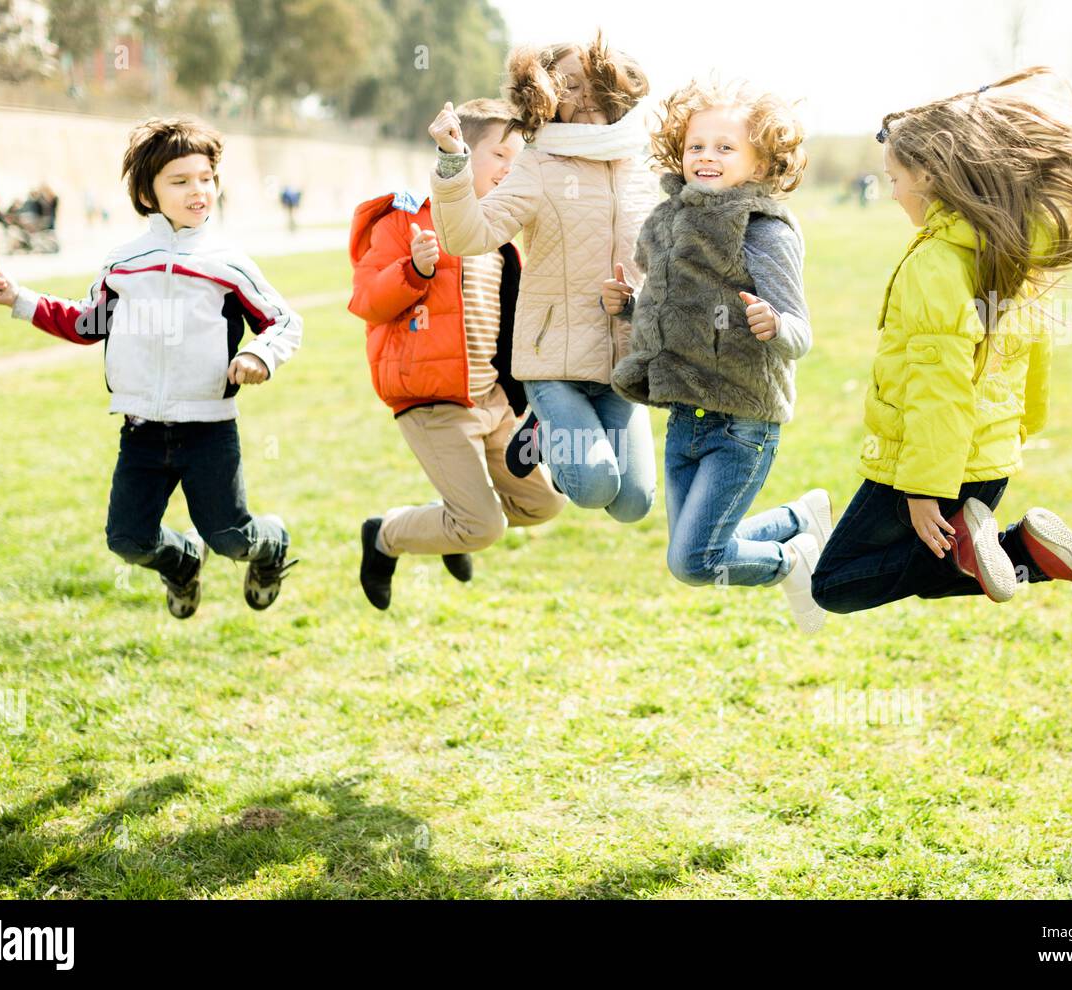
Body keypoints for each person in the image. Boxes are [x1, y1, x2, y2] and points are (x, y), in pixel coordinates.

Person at [811, 68, 1072, 614]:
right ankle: (1028, 551)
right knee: (937, 573)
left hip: (933, 464)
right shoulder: (1013, 250)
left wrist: (922, 488)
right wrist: (1019, 432)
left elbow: (940, 381)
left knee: (835, 584)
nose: (893, 194)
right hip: (992, 457)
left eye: (894, 180)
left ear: (929, 176)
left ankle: (1020, 547)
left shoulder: (936, 263)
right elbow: (1034, 359)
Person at [0, 116, 303, 618]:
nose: (197, 190)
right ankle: (180, 560)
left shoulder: (227, 262)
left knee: (231, 537)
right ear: (148, 194)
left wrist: (258, 355)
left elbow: (283, 322)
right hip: (141, 433)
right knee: (128, 541)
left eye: (206, 178)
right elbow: (88, 323)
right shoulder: (124, 263)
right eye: (180, 181)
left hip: (209, 432)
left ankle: (271, 543)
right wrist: (19, 299)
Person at [608, 79, 830, 632]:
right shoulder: (671, 222)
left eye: (725, 147)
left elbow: (801, 332)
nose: (706, 157)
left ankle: (792, 557)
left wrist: (774, 324)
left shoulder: (763, 230)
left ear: (759, 164)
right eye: (696, 147)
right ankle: (800, 518)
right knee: (695, 554)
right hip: (685, 416)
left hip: (742, 423)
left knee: (696, 561)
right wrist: (631, 306)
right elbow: (678, 312)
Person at [427, 31, 658, 525]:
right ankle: (544, 428)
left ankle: (555, 433)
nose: (584, 96)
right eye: (567, 86)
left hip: (624, 366)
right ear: (544, 95)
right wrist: (452, 161)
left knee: (633, 503)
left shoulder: (642, 165)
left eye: (593, 82)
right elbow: (469, 234)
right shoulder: (538, 165)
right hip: (554, 365)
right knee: (595, 487)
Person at [349, 99, 566, 610]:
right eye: (499, 154)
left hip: (493, 402)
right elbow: (367, 301)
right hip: (434, 402)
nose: (510, 168)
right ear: (462, 152)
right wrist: (414, 273)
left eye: (519, 158)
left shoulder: (500, 237)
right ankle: (385, 535)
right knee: (483, 525)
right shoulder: (407, 220)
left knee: (544, 503)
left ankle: (455, 524)